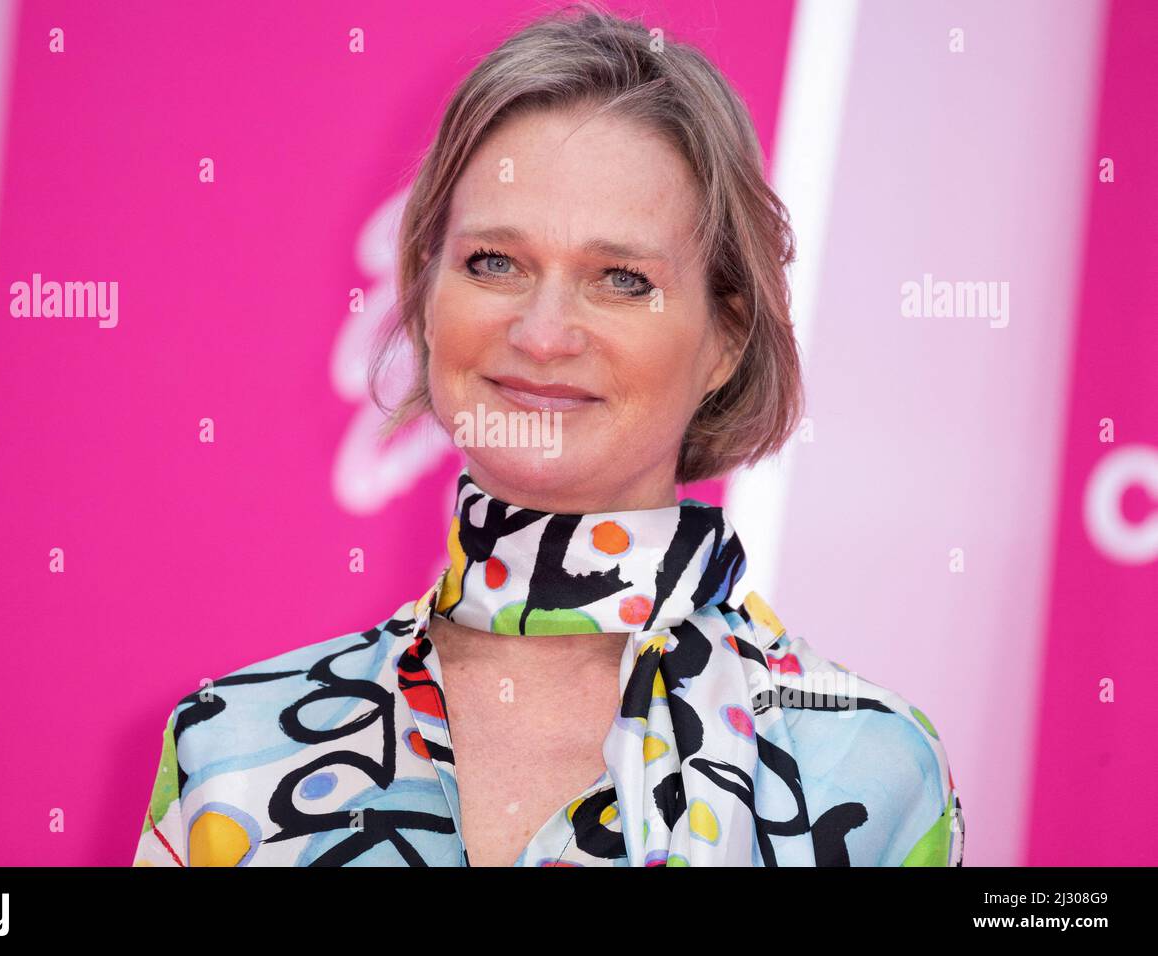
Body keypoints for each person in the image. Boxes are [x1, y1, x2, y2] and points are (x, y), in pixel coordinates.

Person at [132, 3, 964, 867]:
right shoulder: (231, 750)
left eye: (621, 278)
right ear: (424, 294)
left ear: (725, 337)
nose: (542, 331)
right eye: (495, 262)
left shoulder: (866, 774)